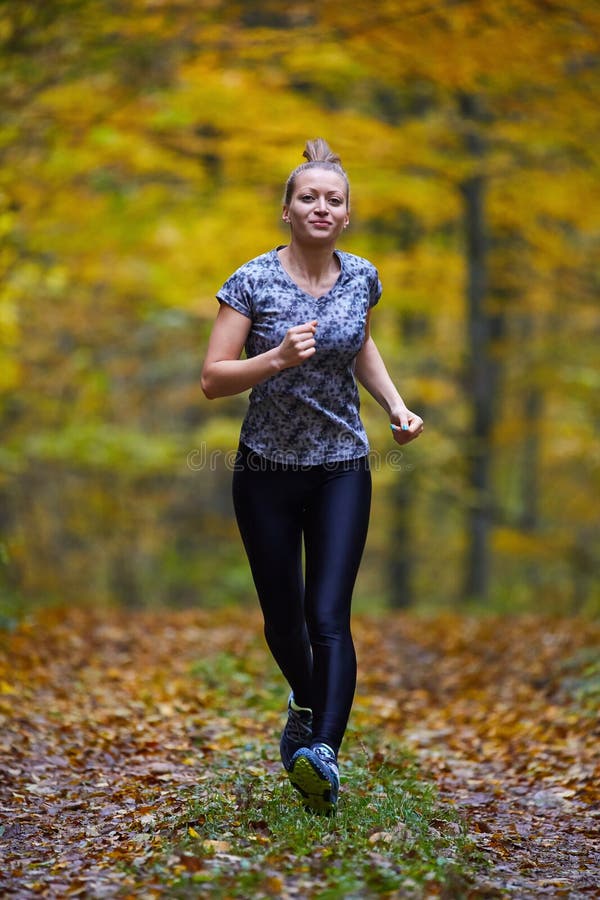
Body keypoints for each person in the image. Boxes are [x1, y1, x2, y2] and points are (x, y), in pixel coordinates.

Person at [201, 138, 423, 814]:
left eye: (334, 199)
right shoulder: (251, 281)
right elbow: (213, 379)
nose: (321, 206)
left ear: (346, 215)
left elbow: (360, 343)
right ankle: (305, 699)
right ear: (287, 211)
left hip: (341, 466)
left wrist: (396, 404)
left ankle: (321, 751)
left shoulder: (362, 276)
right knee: (283, 621)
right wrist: (273, 359)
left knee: (328, 616)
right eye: (308, 197)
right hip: (265, 471)